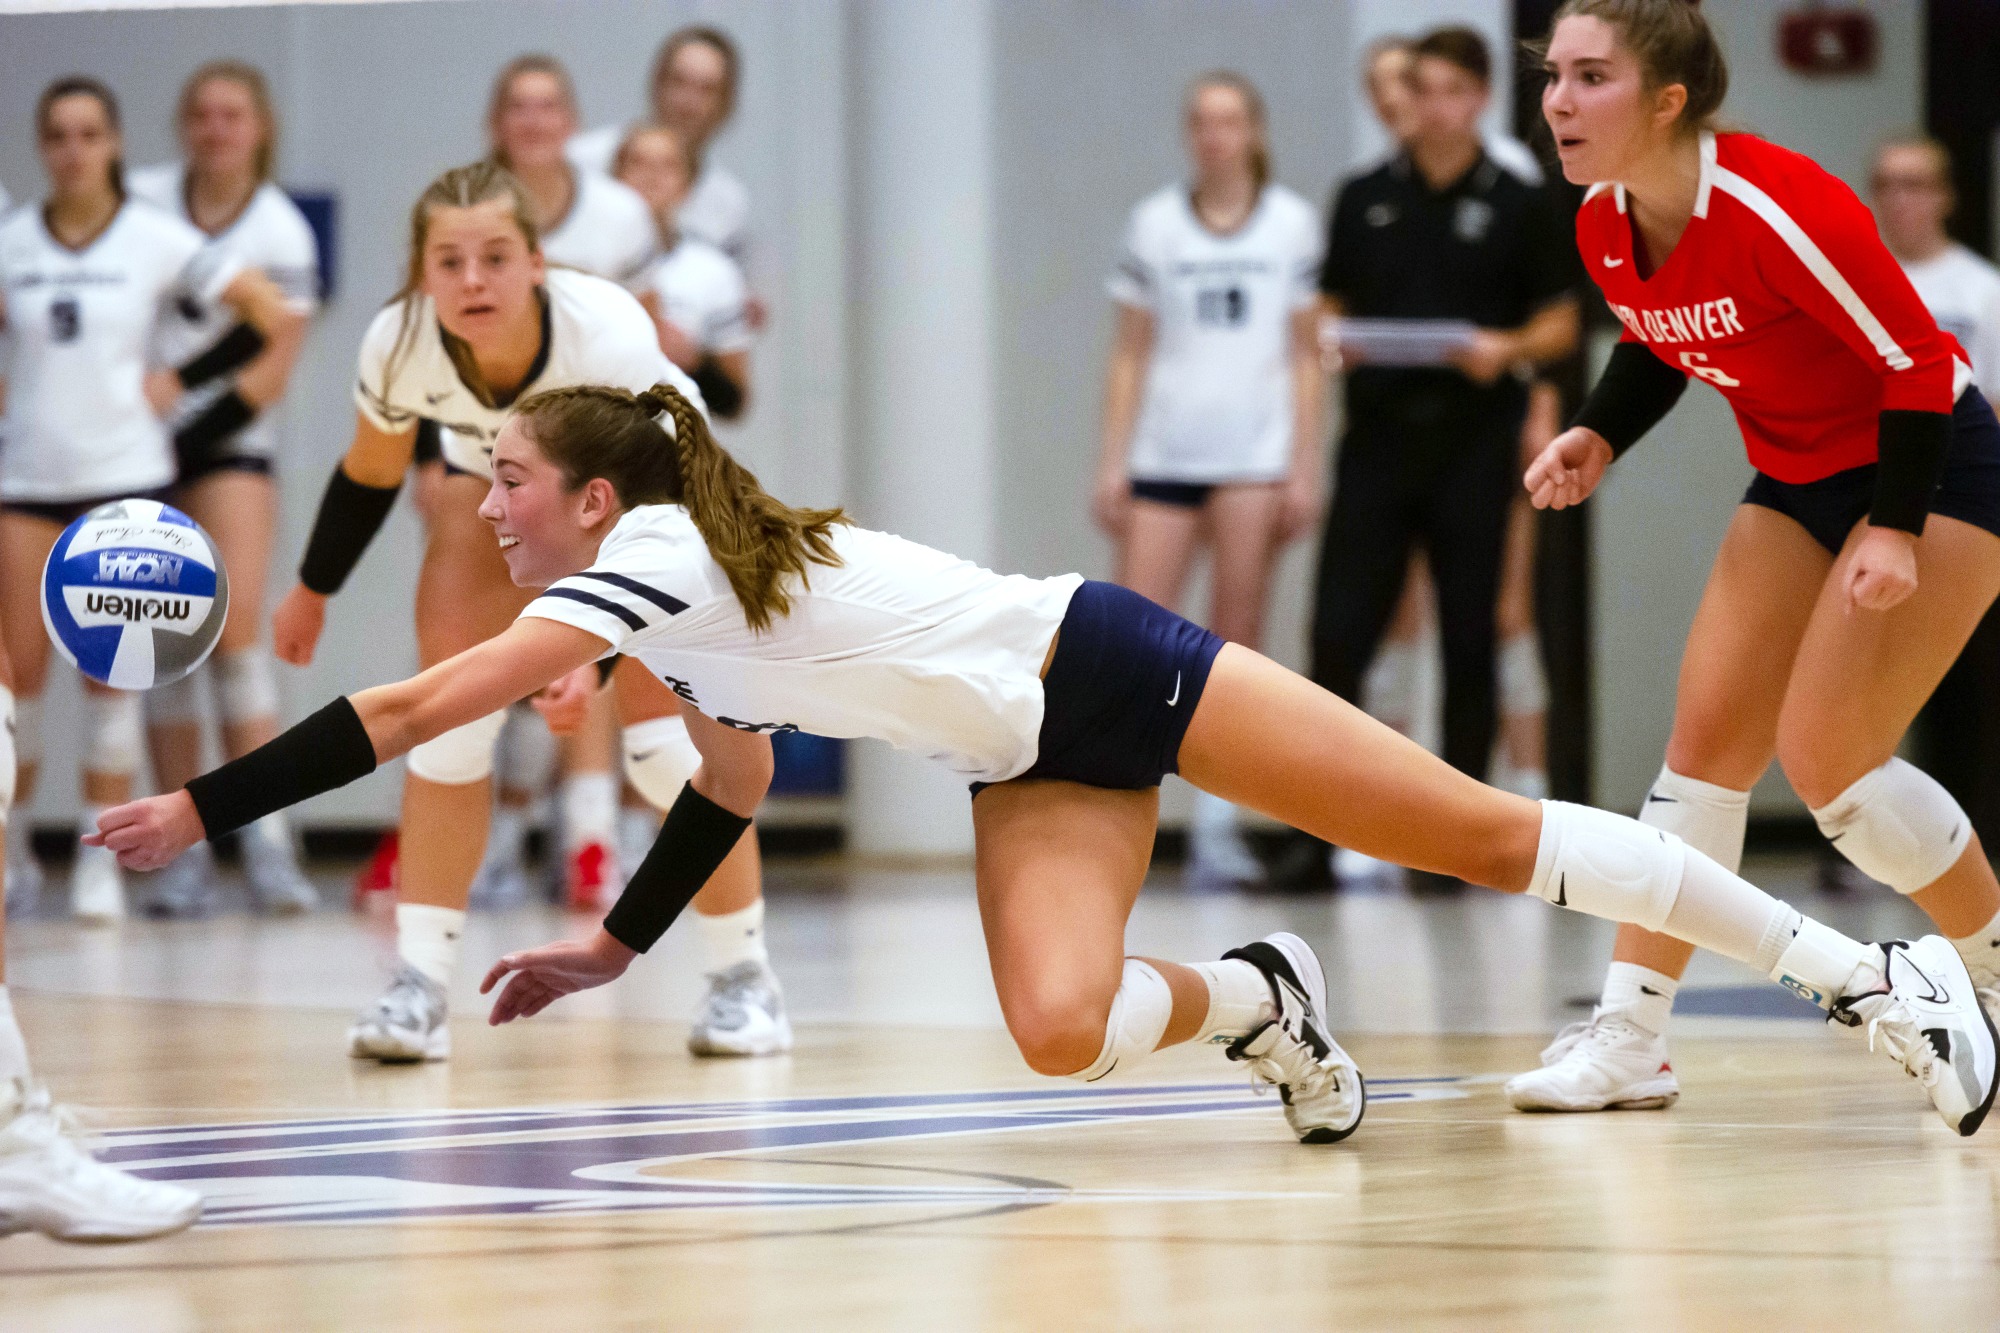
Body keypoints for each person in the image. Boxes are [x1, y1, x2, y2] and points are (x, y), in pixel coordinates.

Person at [90, 379, 2000, 1146]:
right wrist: (609, 950)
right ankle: (1261, 999)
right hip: (1027, 761)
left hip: (1110, 656)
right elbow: (736, 786)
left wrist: (203, 799)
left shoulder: (647, 555)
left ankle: (1866, 966)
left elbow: (422, 710)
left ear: (593, 491)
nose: (482, 497)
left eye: (502, 472)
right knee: (1062, 1024)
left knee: (1492, 835)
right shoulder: (658, 609)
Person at [1508, 0, 2000, 1114]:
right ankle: (1629, 1040)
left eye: (1589, 77)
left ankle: (1992, 970)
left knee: (1830, 766)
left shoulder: (1778, 209)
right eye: (1551, 76)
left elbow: (1917, 363)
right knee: (1698, 763)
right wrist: (1596, 431)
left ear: (1666, 99)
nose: (1556, 101)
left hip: (1933, 467)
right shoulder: (1601, 219)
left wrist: (1892, 523)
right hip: (1793, 477)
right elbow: (1653, 338)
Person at [262, 162, 773, 1063]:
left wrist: (596, 656)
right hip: (492, 480)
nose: (472, 280)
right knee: (446, 734)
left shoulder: (604, 328)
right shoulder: (399, 339)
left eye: (495, 256)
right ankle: (417, 985)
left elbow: (633, 503)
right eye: (449, 260)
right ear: (422, 273)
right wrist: (313, 587)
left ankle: (744, 978)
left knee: (666, 757)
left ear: (537, 263)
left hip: (657, 495)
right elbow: (375, 469)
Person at [0, 76, 304, 923]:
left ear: (115, 143)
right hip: (25, 482)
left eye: (89, 133)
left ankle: (101, 871)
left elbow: (266, 309)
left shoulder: (153, 237)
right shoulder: (14, 239)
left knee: (113, 682)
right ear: (42, 147)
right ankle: (15, 854)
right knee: (15, 685)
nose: (72, 150)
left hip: (125, 480)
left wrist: (183, 378)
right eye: (57, 135)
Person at [1300, 27, 1578, 887]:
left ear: (1481, 99)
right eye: (1418, 90)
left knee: (1470, 637)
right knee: (1339, 635)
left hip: (1472, 444)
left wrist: (1502, 348)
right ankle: (1316, 834)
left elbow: (1562, 323)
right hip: (1376, 442)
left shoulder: (1519, 200)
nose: (1432, 107)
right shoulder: (1362, 196)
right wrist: (1333, 341)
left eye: (1450, 90)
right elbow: (1326, 309)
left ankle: (1451, 848)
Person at [1092, 72, 1323, 885]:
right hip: (1165, 452)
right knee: (1129, 638)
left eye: (1229, 121)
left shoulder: (1292, 224)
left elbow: (1306, 355)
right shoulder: (1155, 224)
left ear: (1254, 130)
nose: (1214, 136)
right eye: (1201, 122)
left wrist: (1303, 463)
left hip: (1253, 457)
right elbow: (1130, 350)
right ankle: (1123, 815)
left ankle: (1220, 827)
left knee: (1234, 644)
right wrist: (1113, 459)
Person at [128, 60, 321, 919]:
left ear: (261, 127)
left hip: (228, 443)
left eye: (233, 115)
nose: (216, 129)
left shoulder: (280, 228)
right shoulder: (142, 201)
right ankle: (181, 854)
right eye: (202, 114)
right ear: (183, 125)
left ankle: (270, 843)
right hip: (130, 447)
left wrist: (173, 434)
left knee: (234, 631)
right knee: (162, 640)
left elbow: (270, 370)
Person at [483, 53, 659, 909]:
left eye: (550, 106)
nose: (535, 121)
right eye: (519, 107)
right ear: (497, 122)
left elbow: (651, 338)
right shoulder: (471, 209)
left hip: (594, 458)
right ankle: (503, 836)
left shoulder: (618, 215)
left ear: (572, 119)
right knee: (501, 646)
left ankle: (590, 844)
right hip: (493, 450)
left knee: (588, 639)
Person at [569, 26, 753, 276]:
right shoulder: (581, 162)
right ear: (656, 84)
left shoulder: (728, 202)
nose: (689, 102)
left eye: (707, 89)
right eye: (679, 82)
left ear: (726, 104)